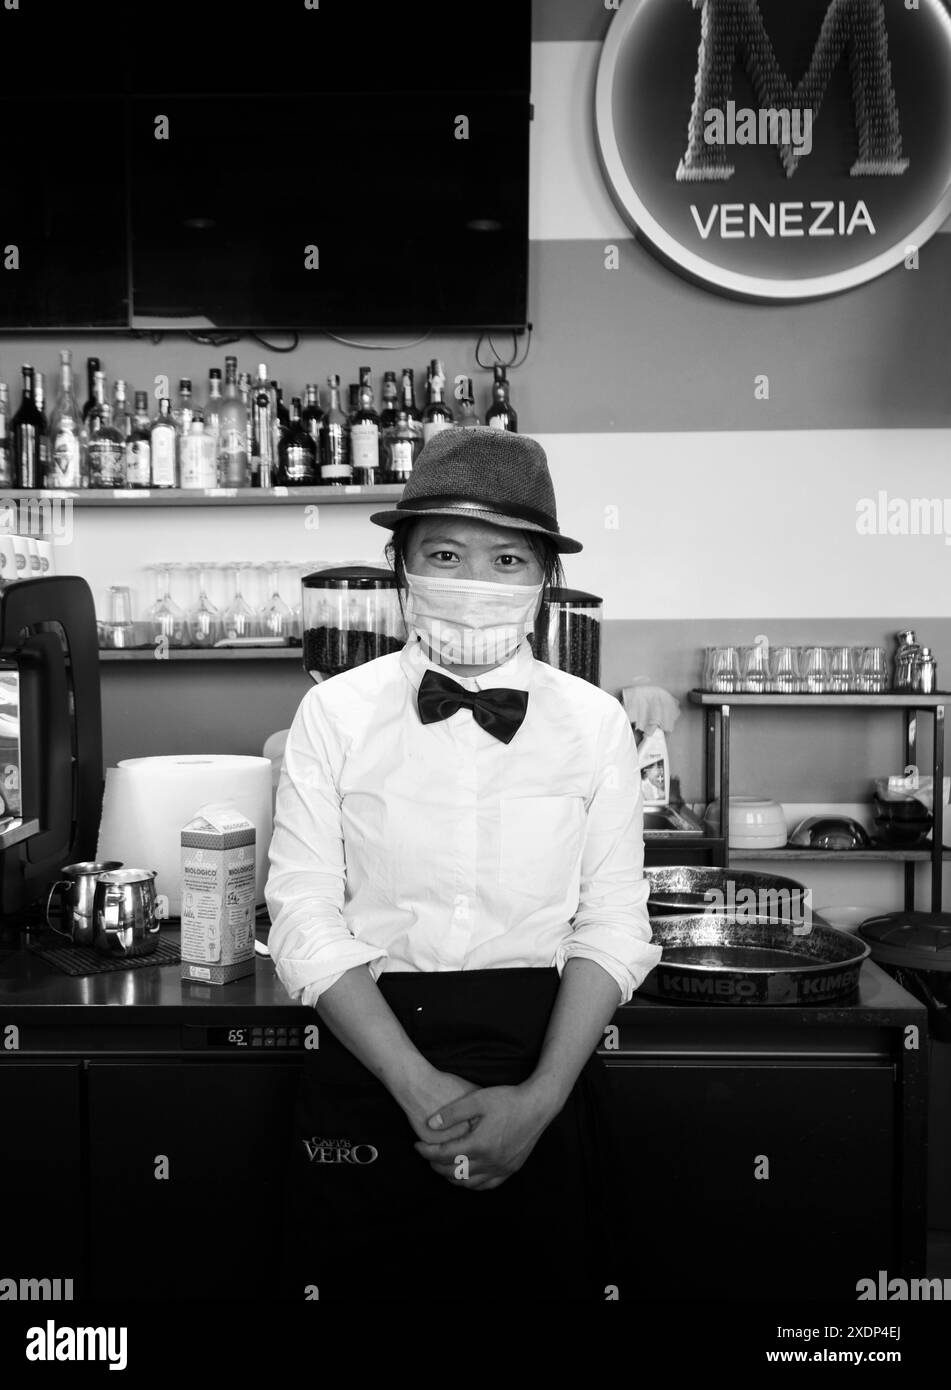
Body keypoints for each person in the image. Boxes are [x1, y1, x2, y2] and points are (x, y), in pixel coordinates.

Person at [267, 426, 660, 1302]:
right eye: (444, 553)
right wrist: (415, 1087)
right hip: (371, 1054)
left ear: (543, 581)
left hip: (542, 1053)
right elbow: (302, 915)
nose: (474, 584)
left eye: (507, 560)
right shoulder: (332, 715)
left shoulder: (594, 724)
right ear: (400, 566)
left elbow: (613, 922)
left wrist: (540, 1099)